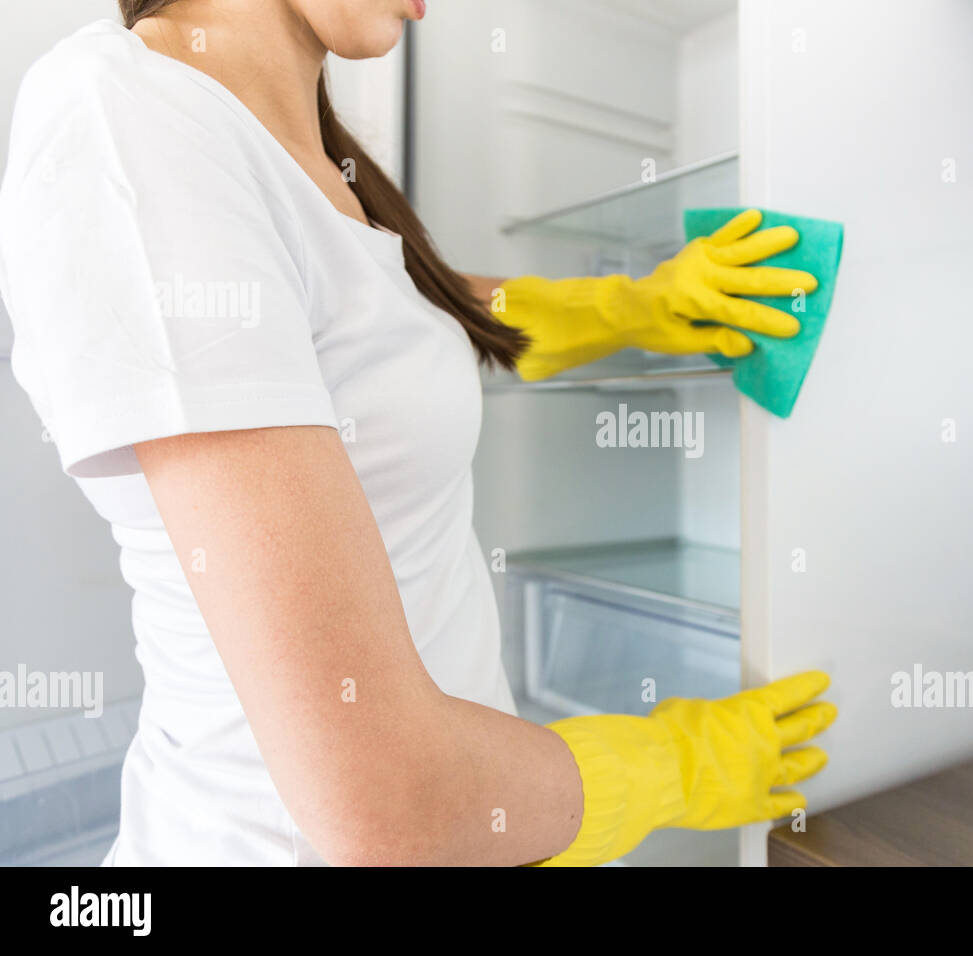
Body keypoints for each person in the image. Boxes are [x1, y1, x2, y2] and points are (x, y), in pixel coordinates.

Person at [0, 0, 835, 866]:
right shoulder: (124, 115)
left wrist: (641, 306)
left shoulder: (313, 159)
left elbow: (407, 328)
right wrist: (674, 768)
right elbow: (387, 802)